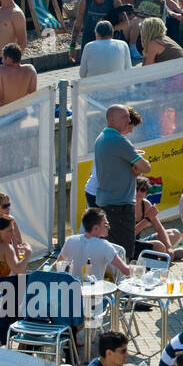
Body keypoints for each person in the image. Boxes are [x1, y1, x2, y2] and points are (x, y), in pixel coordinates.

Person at [93, 105, 151, 258]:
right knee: (124, 253)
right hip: (119, 206)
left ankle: (112, 279)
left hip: (108, 203)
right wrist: (138, 164)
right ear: (112, 119)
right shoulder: (118, 140)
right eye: (124, 117)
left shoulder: (102, 137)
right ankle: (122, 279)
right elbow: (146, 167)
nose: (128, 120)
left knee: (110, 251)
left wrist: (133, 165)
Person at [58, 207, 130, 281]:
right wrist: (138, 269)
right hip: (95, 290)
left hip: (73, 289)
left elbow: (59, 263)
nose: (109, 227)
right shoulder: (105, 246)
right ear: (96, 228)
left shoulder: (71, 240)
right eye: (106, 224)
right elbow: (126, 271)